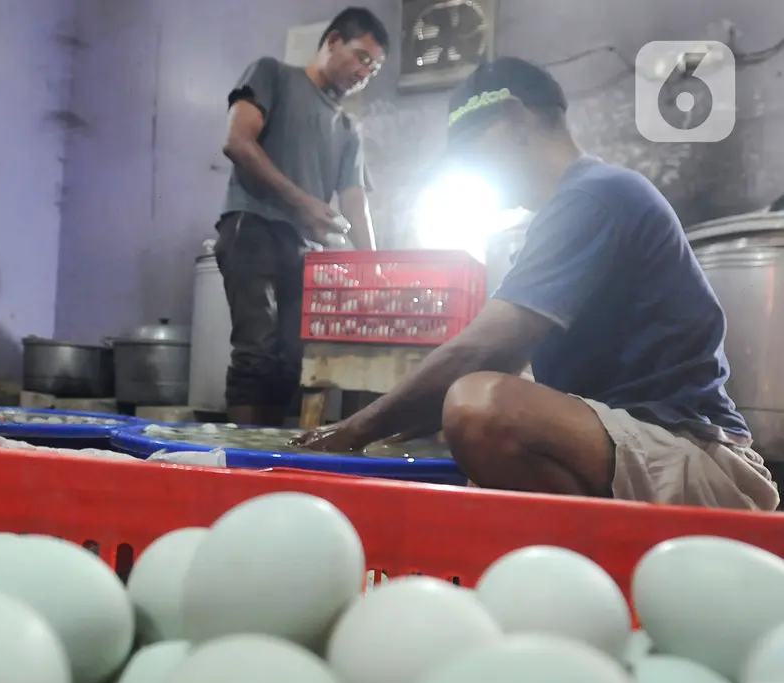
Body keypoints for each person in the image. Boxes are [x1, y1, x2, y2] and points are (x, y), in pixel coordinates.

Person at [295, 57, 779, 511]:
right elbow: (503, 360)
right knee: (481, 411)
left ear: (513, 118)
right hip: (634, 444)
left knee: (479, 405)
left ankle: (602, 562)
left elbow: (477, 356)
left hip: (697, 456)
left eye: (470, 151)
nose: (470, 172)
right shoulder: (571, 208)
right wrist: (384, 440)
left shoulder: (595, 195)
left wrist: (353, 429)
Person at [217, 7, 388, 426]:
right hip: (252, 226)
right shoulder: (272, 74)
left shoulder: (349, 128)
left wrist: (377, 269)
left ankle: (272, 462)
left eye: (376, 67)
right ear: (332, 42)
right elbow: (238, 141)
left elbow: (354, 201)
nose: (366, 72)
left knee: (295, 360)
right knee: (256, 352)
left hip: (305, 250)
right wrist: (303, 202)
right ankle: (237, 462)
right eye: (362, 57)